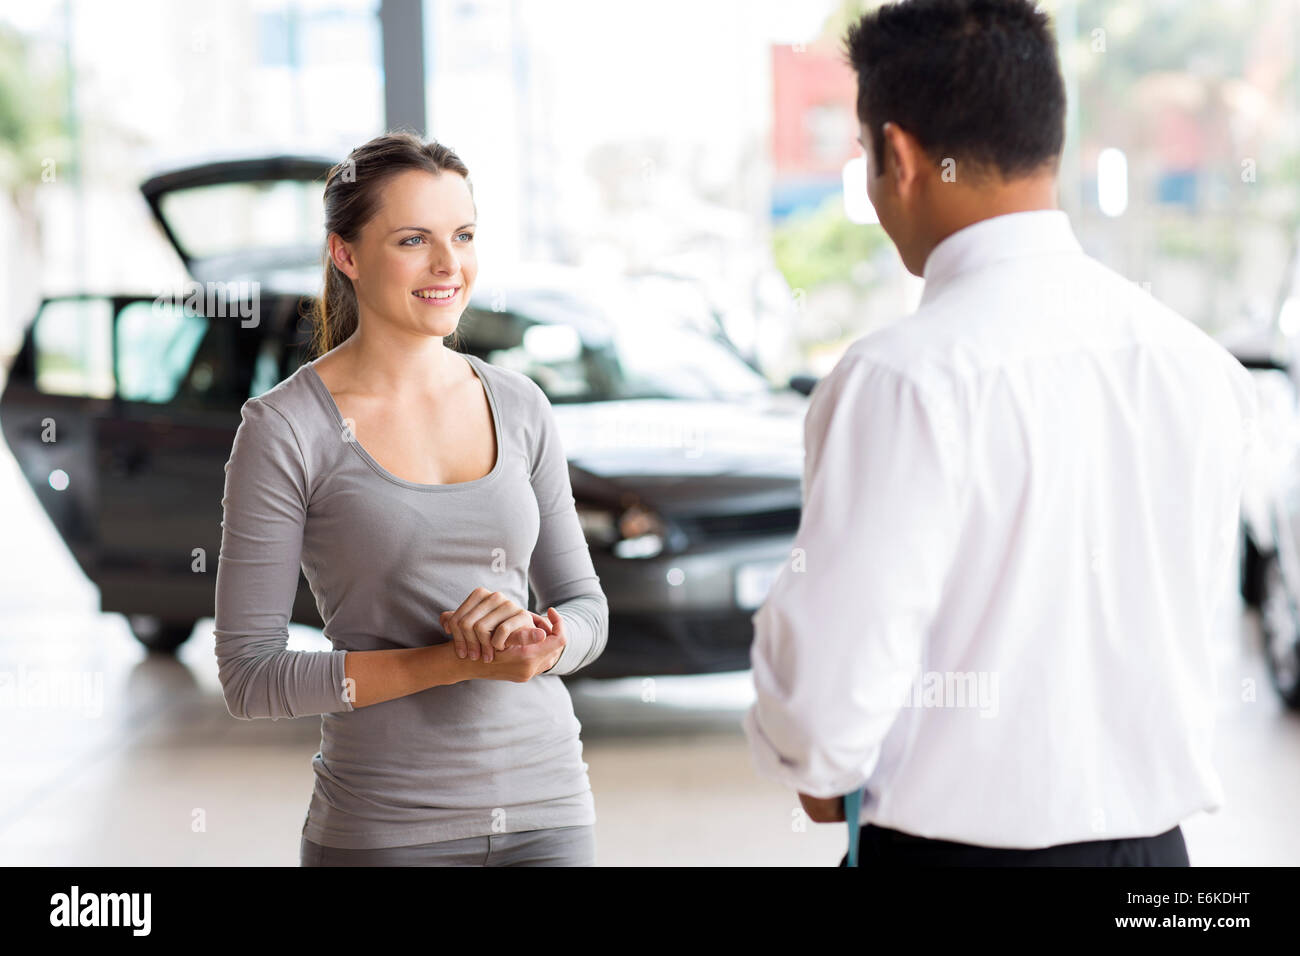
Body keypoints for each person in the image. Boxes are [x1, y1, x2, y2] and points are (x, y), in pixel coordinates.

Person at [742, 0, 1258, 866]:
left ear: (899, 157)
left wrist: (807, 750)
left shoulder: (900, 378)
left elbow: (827, 721)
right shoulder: (1194, 363)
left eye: (866, 156)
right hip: (1159, 866)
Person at [213, 131, 609, 866]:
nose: (448, 265)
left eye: (462, 235)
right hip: (384, 829)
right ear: (347, 255)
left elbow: (588, 608)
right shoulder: (285, 429)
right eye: (412, 239)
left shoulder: (519, 405)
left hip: (549, 810)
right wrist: (457, 660)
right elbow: (251, 675)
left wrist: (543, 641)